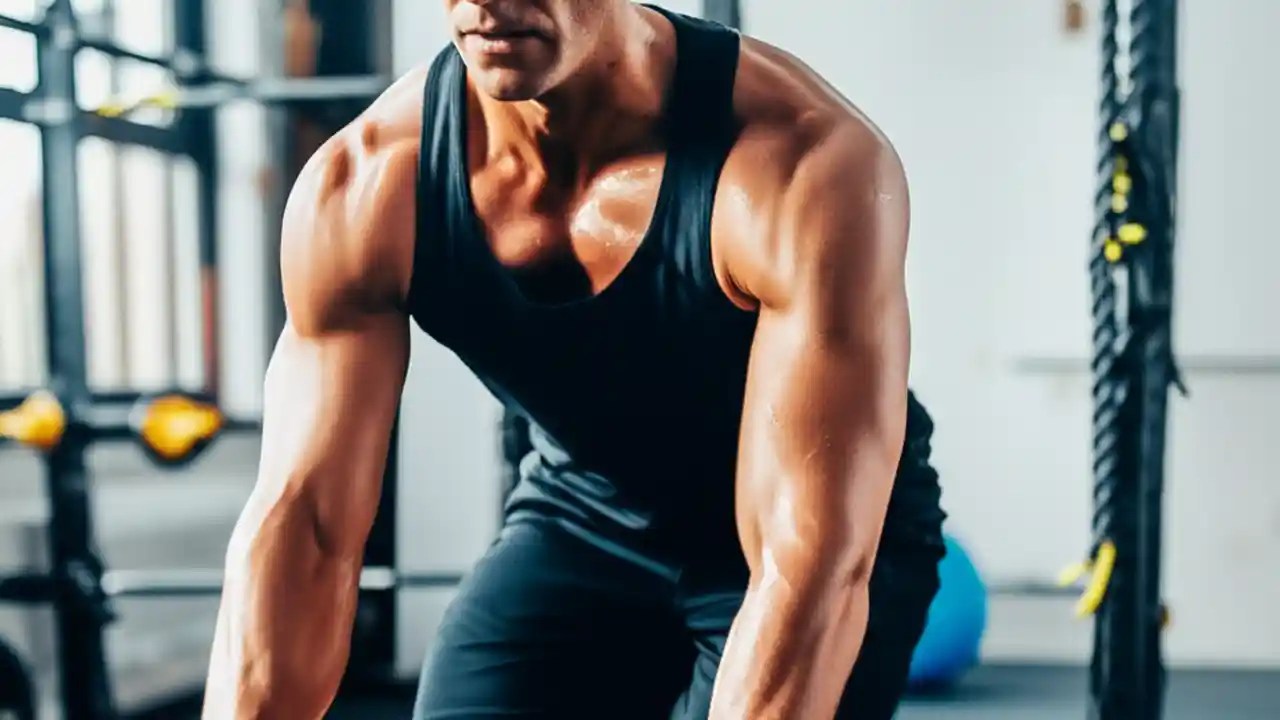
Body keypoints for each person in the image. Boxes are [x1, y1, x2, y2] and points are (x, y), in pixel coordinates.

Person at [201, 2, 947, 719]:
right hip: (581, 515)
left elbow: (806, 565)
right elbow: (306, 524)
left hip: (815, 539)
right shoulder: (364, 186)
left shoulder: (800, 162)